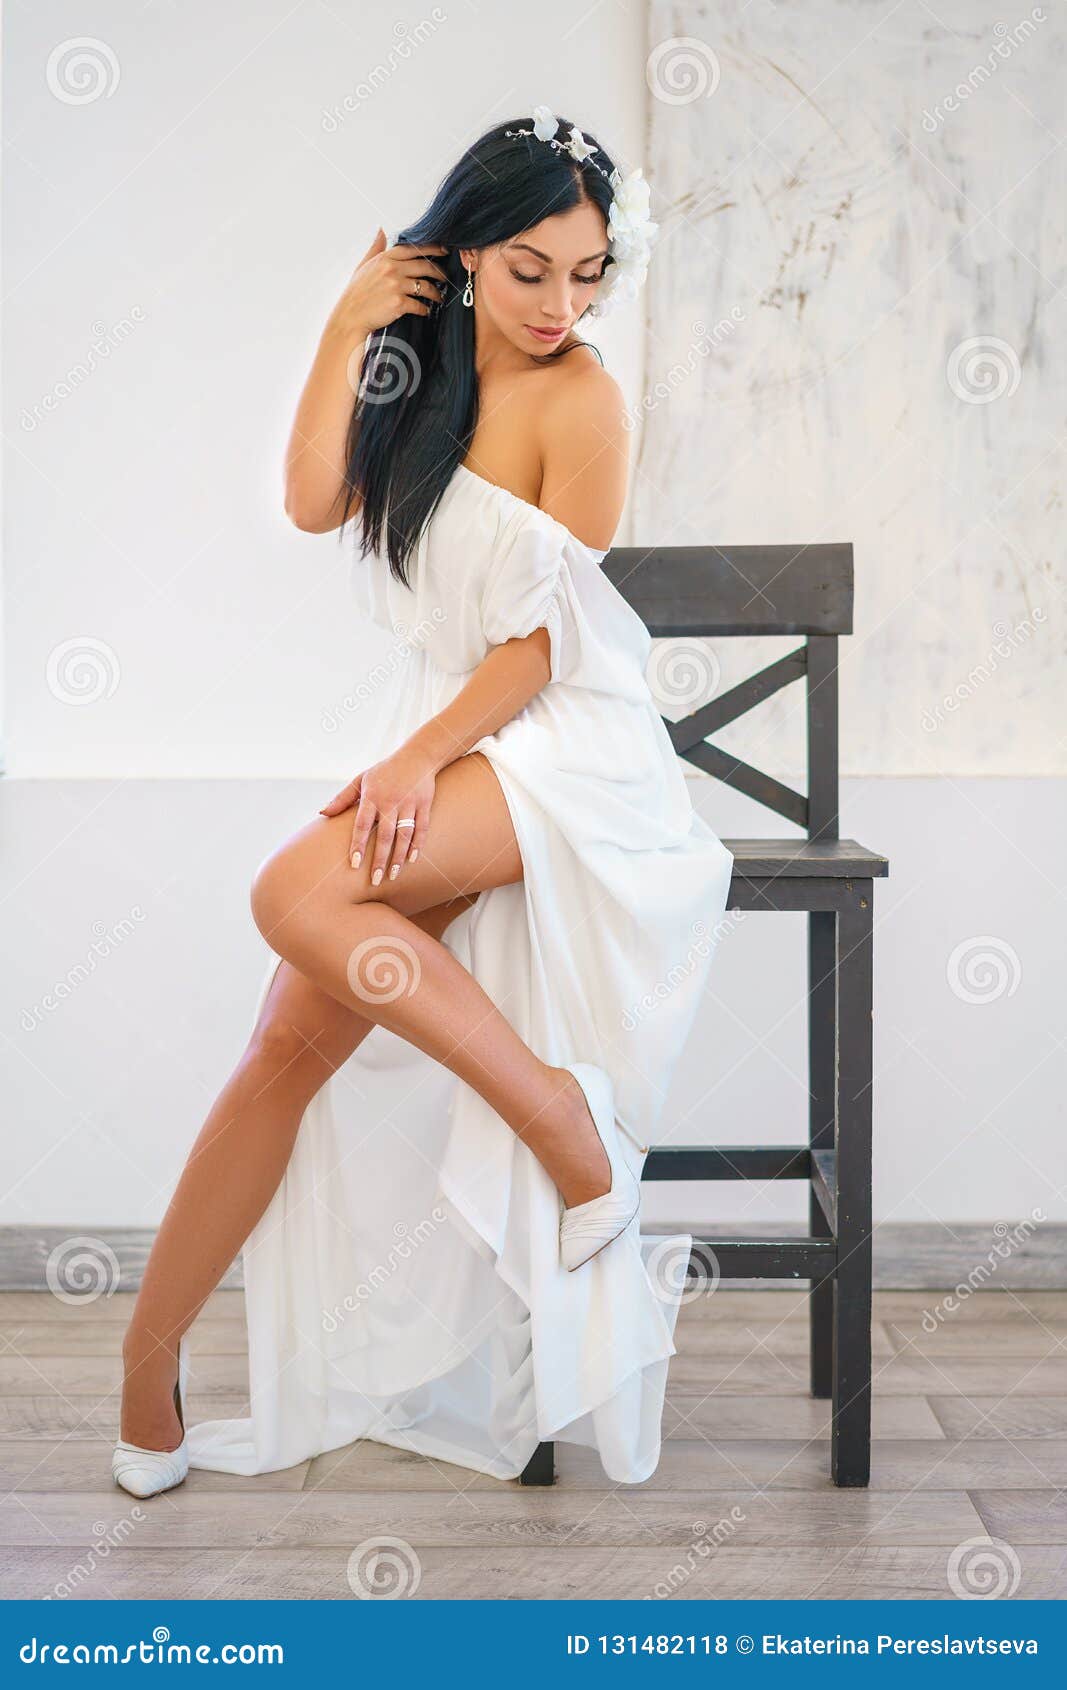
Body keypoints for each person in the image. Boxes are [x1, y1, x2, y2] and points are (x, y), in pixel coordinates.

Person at [112, 107, 735, 1501]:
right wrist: (346, 327)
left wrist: (414, 766)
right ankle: (147, 1366)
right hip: (448, 741)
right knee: (286, 1044)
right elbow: (311, 501)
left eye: (589, 275)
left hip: (563, 748)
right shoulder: (414, 359)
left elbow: (549, 644)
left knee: (289, 890)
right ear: (458, 252)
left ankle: (560, 1125)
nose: (561, 306)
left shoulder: (586, 404)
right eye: (529, 270)